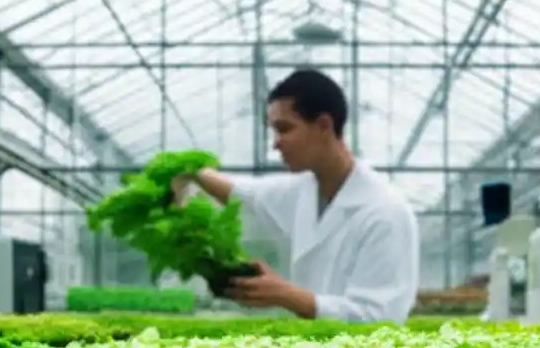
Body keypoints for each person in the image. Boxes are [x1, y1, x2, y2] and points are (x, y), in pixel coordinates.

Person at [172, 68, 420, 323]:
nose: (276, 143)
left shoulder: (385, 212)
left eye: (284, 129)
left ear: (324, 125)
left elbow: (379, 317)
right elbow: (243, 195)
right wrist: (191, 172)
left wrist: (286, 295)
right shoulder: (302, 190)